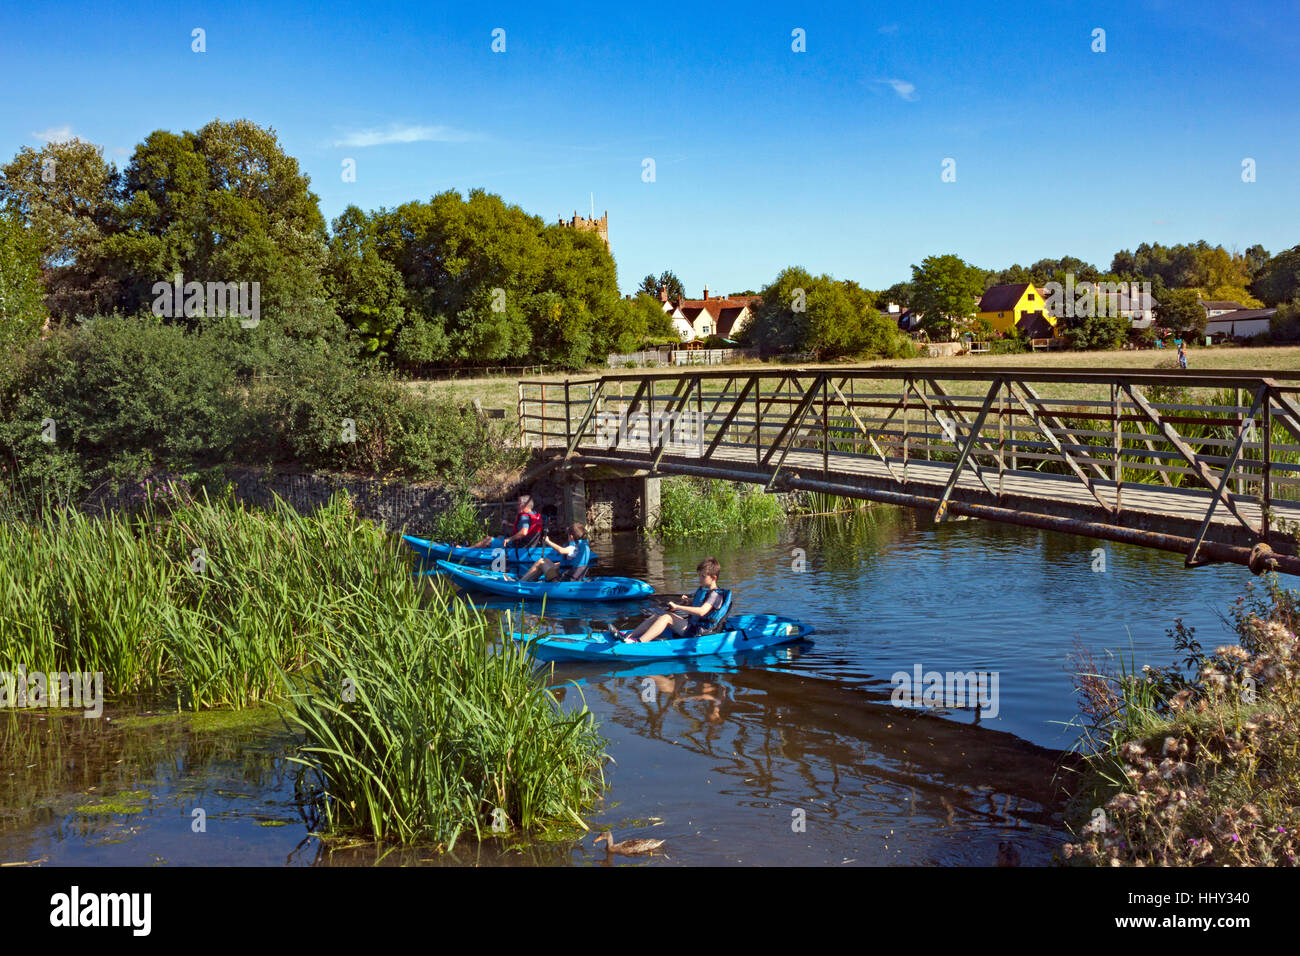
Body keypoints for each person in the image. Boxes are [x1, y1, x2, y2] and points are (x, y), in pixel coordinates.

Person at [617, 557, 725, 643]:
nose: (699, 579)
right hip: (693, 625)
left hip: (700, 632)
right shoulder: (707, 592)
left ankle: (639, 643)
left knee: (666, 617)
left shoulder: (715, 595)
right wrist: (689, 603)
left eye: (703, 576)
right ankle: (629, 636)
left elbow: (702, 611)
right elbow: (703, 608)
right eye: (699, 576)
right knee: (659, 614)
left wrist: (678, 607)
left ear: (714, 578)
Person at [519, 523, 591, 582]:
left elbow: (561, 550)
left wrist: (548, 542)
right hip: (573, 577)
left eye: (568, 535)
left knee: (540, 562)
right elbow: (569, 563)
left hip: (564, 581)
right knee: (545, 560)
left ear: (571, 537)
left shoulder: (573, 548)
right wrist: (555, 565)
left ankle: (521, 582)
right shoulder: (582, 546)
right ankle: (532, 579)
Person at [469, 493, 542, 549]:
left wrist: (509, 539)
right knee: (500, 536)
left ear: (525, 505)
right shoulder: (534, 515)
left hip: (518, 547)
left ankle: (467, 550)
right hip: (528, 546)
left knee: (488, 539)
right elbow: (527, 528)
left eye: (519, 504)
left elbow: (524, 532)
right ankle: (490, 548)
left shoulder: (524, 516)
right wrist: (509, 524)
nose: (517, 506)